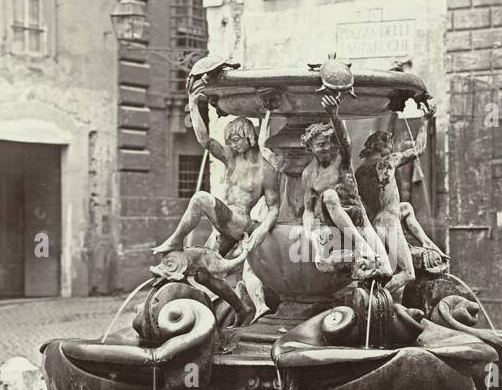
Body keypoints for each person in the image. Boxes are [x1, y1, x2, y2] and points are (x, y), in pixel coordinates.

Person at [153, 90, 280, 260]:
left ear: (249, 136)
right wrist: (193, 106)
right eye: (230, 141)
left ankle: (176, 240)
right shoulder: (232, 158)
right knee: (204, 268)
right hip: (224, 223)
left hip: (240, 223)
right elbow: (205, 141)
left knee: (200, 199)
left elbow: (273, 208)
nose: (232, 145)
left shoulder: (265, 170)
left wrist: (262, 230)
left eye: (236, 139)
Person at [299, 94, 390, 280]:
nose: (326, 148)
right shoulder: (308, 174)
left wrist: (334, 114)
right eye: (320, 145)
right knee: (330, 195)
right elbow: (308, 211)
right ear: (310, 148)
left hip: (358, 217)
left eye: (329, 143)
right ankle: (359, 246)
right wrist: (312, 237)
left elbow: (345, 140)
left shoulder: (342, 160)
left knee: (386, 271)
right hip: (333, 222)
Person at [356, 113, 448, 295]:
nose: (391, 149)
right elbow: (419, 148)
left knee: (406, 207)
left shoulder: (360, 171)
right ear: (381, 146)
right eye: (389, 145)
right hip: (389, 223)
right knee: (408, 273)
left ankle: (427, 242)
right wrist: (424, 121)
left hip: (377, 223)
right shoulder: (388, 162)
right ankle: (373, 301)